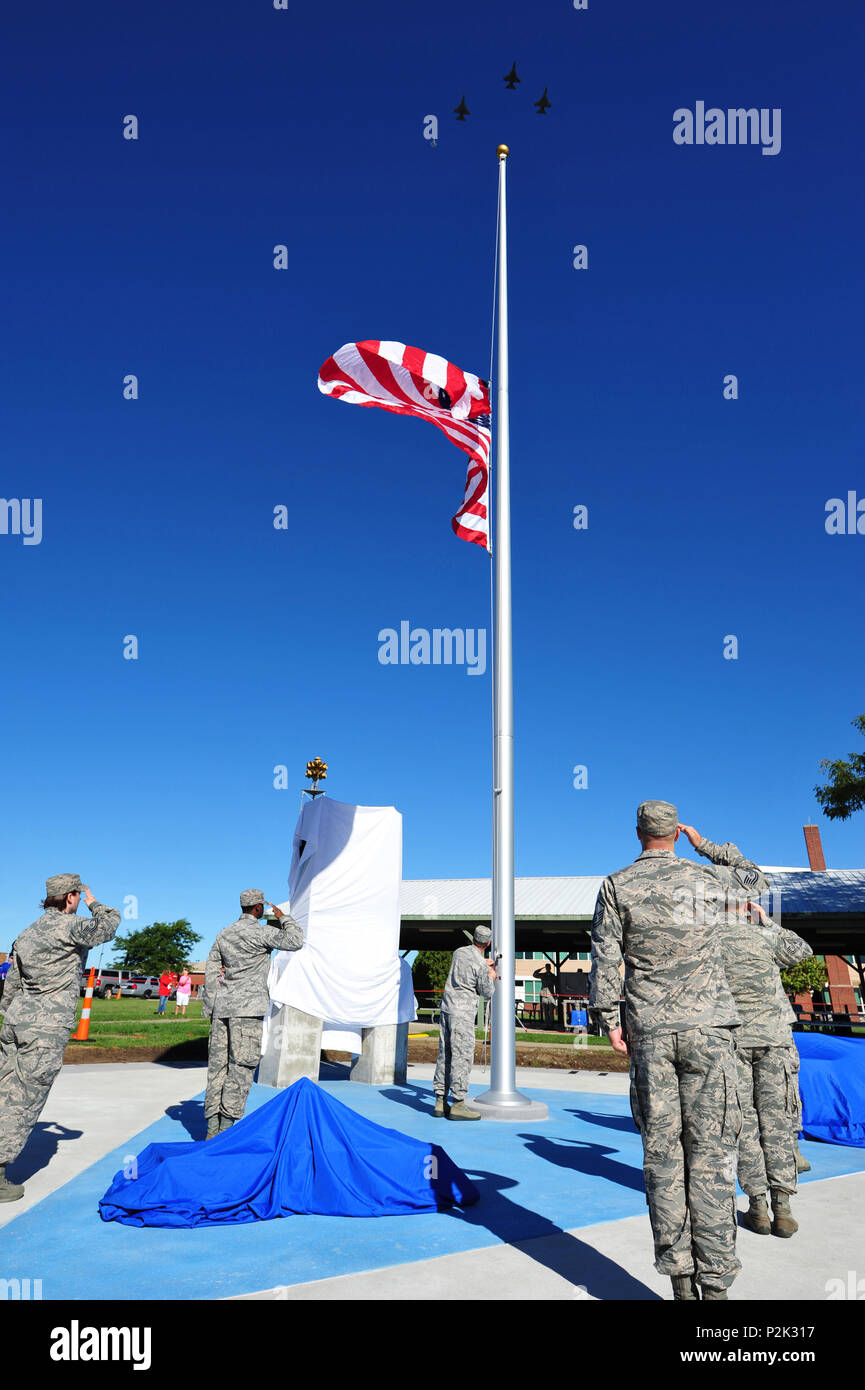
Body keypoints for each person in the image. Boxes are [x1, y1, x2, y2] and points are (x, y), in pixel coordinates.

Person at [590, 801, 742, 1301]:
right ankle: (716, 1284)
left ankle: (680, 1277)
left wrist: (610, 1021)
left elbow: (605, 957)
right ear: (676, 833)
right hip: (709, 1030)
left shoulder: (617, 885)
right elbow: (755, 879)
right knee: (711, 1155)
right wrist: (707, 846)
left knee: (662, 1155)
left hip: (651, 1032)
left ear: (638, 832)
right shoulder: (707, 880)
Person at [680, 824, 813, 1238]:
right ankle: (783, 1207)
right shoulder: (764, 937)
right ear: (747, 901)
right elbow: (802, 951)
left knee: (745, 1125)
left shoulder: (707, 940)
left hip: (731, 1042)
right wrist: (767, 923)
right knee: (778, 1122)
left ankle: (757, 1207)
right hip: (774, 1039)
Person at [0, 874, 121, 1201]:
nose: (79, 899)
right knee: (24, 1099)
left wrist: (10, 1016)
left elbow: (11, 984)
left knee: (4, 1089)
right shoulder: (71, 927)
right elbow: (109, 924)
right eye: (77, 895)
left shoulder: (27, 933)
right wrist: (94, 902)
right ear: (70, 896)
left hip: (15, 1021)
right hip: (46, 1028)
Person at [202, 891, 303, 1138]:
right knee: (241, 1066)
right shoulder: (261, 932)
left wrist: (210, 1007)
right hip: (247, 1011)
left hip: (222, 1009)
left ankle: (211, 1128)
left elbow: (211, 972)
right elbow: (296, 940)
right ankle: (225, 1129)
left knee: (217, 1067)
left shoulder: (224, 933)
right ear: (258, 908)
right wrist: (283, 918)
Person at [433, 926, 497, 1121]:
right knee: (462, 1057)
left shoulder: (459, 952)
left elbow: (467, 965)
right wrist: (490, 976)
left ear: (473, 938)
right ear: (488, 943)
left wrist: (483, 964)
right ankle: (458, 1104)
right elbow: (487, 991)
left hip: (447, 1008)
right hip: (463, 1014)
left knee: (445, 1054)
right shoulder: (481, 966)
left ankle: (440, 1101)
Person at [533, 961, 557, 1029]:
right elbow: (534, 975)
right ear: (546, 968)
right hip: (544, 993)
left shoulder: (553, 976)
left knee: (551, 1011)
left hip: (551, 994)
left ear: (550, 968)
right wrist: (540, 969)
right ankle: (547, 1025)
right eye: (546, 967)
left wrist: (556, 994)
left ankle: (551, 1025)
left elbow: (556, 985)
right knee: (545, 1011)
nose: (547, 968)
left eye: (548, 967)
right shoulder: (543, 975)